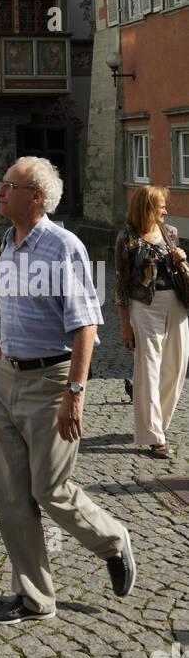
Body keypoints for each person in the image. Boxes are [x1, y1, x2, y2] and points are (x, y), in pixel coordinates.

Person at [0, 156, 135, 625]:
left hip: (52, 383)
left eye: (8, 185)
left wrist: (76, 392)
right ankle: (35, 598)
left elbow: (86, 325)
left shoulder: (63, 246)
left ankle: (112, 540)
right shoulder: (8, 243)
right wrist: (3, 346)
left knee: (50, 489)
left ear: (35, 197)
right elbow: (18, 305)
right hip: (6, 375)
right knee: (12, 498)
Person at [115, 185, 189, 459]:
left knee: (176, 366)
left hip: (177, 303)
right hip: (145, 306)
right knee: (148, 367)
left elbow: (177, 270)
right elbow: (121, 285)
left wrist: (181, 257)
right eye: (161, 206)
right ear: (147, 207)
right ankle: (155, 436)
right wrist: (125, 325)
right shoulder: (127, 239)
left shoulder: (169, 233)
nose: (166, 211)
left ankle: (160, 421)